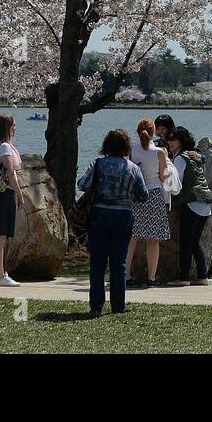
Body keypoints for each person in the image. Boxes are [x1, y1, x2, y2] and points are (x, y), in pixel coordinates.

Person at [77, 129, 149, 314]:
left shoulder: (98, 164)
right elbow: (143, 195)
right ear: (126, 147)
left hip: (99, 214)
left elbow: (82, 184)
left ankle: (96, 305)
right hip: (123, 216)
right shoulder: (133, 168)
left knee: (97, 263)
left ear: (106, 145)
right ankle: (118, 305)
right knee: (119, 263)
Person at [166, 127, 212, 285]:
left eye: (173, 138)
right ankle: (202, 275)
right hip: (205, 204)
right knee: (194, 242)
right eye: (168, 138)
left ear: (182, 140)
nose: (169, 142)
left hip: (192, 203)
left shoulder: (181, 158)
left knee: (186, 242)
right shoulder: (195, 156)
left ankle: (184, 277)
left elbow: (176, 182)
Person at [127, 118, 169, 288]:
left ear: (138, 132)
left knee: (132, 237)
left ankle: (126, 275)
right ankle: (151, 277)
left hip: (136, 195)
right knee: (153, 239)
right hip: (154, 194)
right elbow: (164, 177)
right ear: (154, 133)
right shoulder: (159, 152)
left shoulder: (131, 150)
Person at [0, 114, 24, 288]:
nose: (15, 128)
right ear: (8, 127)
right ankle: (0, 274)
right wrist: (20, 194)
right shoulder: (6, 148)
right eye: (13, 125)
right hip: (4, 195)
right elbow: (10, 173)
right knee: (0, 236)